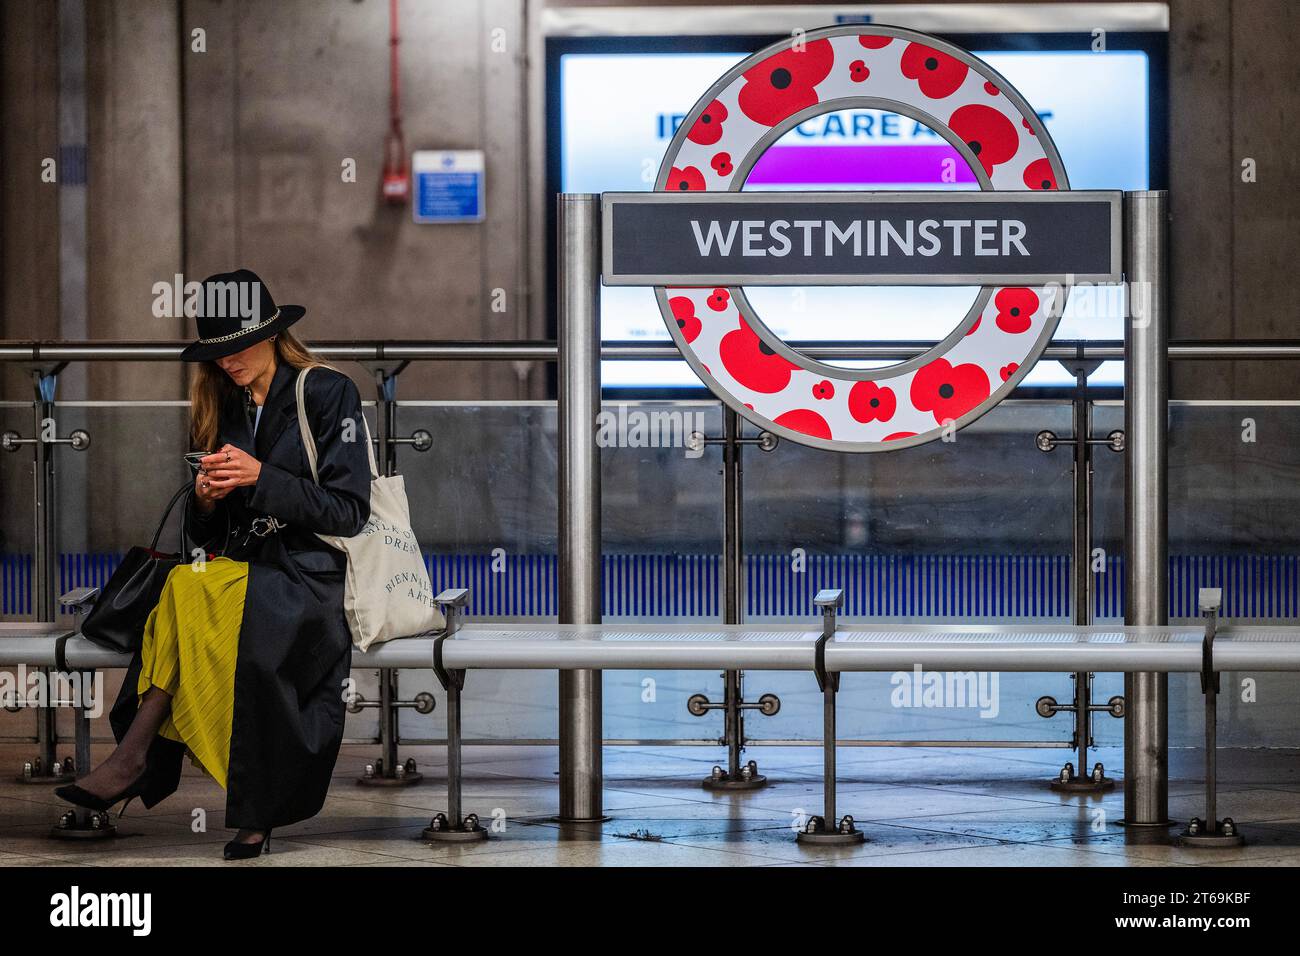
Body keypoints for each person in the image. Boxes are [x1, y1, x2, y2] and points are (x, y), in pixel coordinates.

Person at [55, 269, 372, 860]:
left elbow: (348, 511)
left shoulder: (327, 393)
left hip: (310, 570)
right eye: (218, 351)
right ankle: (237, 807)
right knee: (188, 585)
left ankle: (133, 757)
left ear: (274, 335)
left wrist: (262, 478)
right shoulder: (219, 402)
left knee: (194, 598)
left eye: (238, 347)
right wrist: (206, 499)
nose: (228, 362)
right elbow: (207, 535)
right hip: (239, 568)